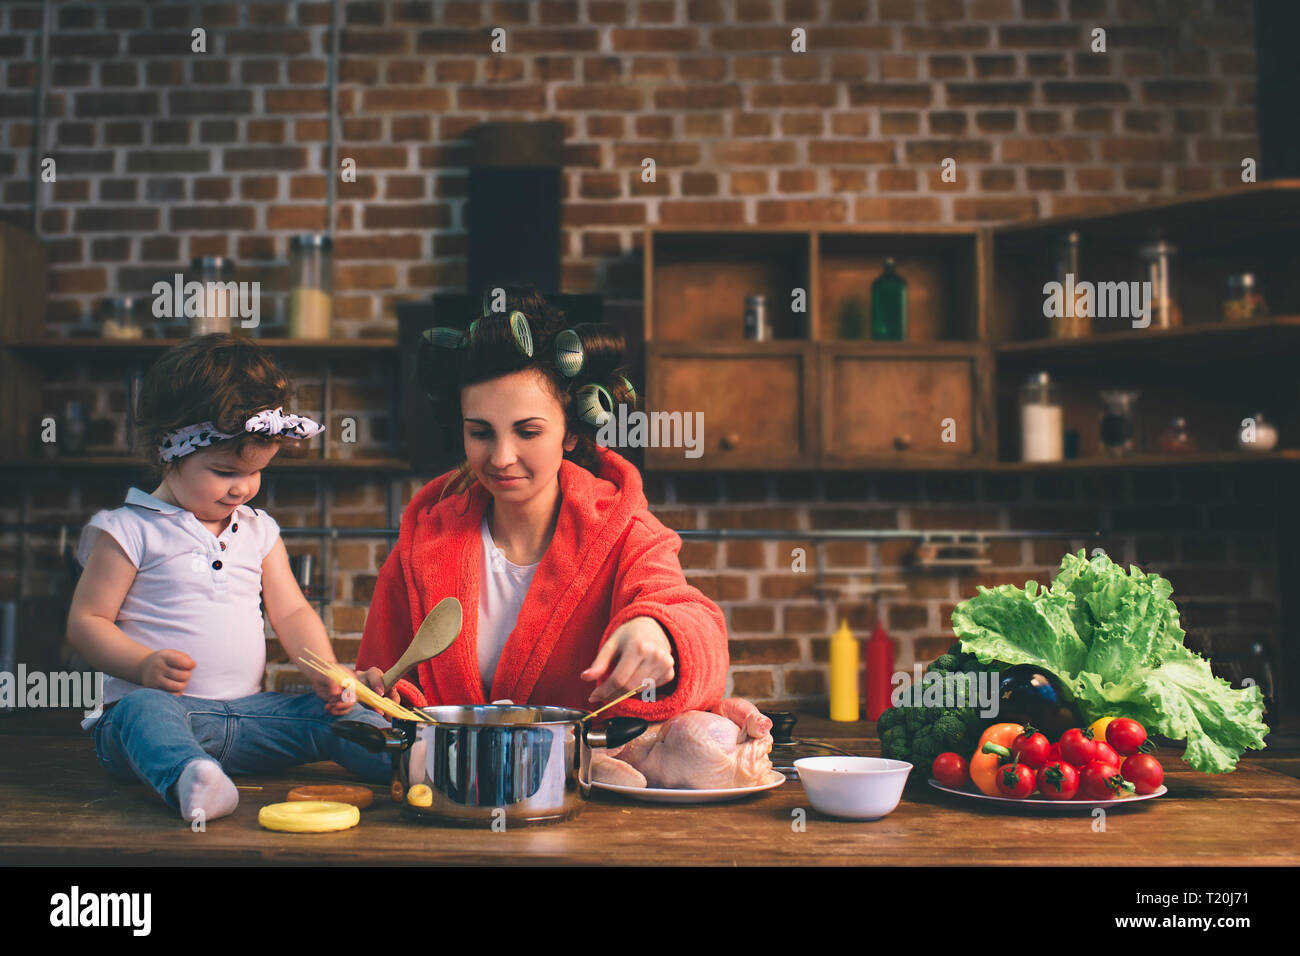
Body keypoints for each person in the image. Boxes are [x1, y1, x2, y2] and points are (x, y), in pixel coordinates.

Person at [357, 283, 729, 719]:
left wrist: (660, 629)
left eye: (528, 432)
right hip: (446, 783)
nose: (500, 458)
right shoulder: (420, 547)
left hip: (580, 782)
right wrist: (374, 696)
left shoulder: (627, 534)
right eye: (480, 432)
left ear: (570, 433)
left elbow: (695, 626)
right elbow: (383, 682)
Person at [66, 334, 392, 824]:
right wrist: (142, 665)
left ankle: (408, 762)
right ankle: (188, 777)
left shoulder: (258, 531)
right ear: (168, 450)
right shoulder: (128, 530)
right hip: (157, 721)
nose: (242, 487)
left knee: (335, 717)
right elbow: (86, 622)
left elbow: (292, 611)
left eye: (257, 472)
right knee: (142, 711)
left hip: (247, 718)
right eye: (223, 471)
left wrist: (325, 672)